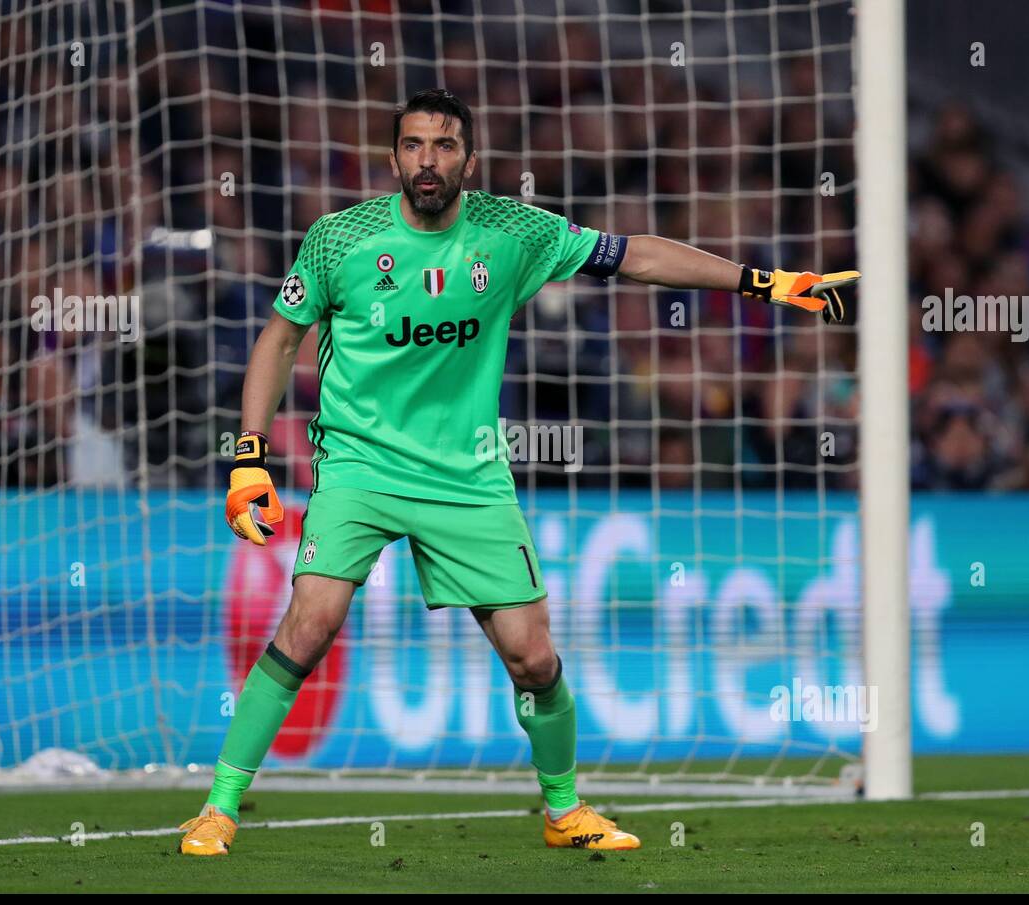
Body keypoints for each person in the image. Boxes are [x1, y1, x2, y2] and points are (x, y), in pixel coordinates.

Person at [179, 88, 858, 855]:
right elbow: (278, 339)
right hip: (359, 465)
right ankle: (219, 807)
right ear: (393, 157)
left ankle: (565, 810)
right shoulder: (340, 239)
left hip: (467, 477)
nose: (427, 161)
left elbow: (635, 254)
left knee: (532, 655)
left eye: (443, 146)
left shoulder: (513, 231)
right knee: (310, 623)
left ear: (470, 160)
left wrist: (766, 283)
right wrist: (250, 455)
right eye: (413, 145)